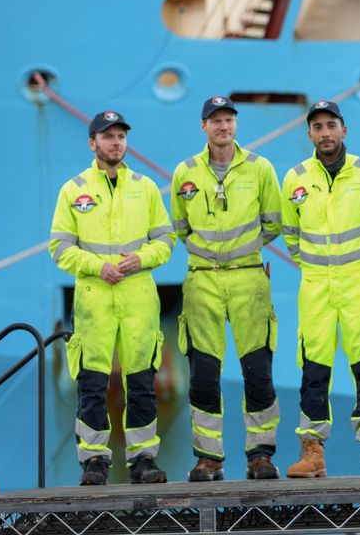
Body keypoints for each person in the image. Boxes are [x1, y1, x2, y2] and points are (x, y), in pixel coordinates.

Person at [50, 111, 174, 485]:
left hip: (138, 300)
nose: (115, 142)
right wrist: (97, 266)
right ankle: (94, 462)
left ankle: (143, 459)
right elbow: (59, 247)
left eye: (120, 136)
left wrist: (142, 258)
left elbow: (165, 241)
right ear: (93, 143)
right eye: (108, 137)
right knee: (91, 384)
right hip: (94, 301)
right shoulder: (73, 190)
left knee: (141, 383)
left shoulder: (146, 188)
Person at [171, 96, 282, 482]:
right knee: (203, 374)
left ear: (236, 124)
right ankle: (208, 459)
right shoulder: (185, 172)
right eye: (216, 120)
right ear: (204, 126)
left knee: (258, 372)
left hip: (249, 277)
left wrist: (240, 254)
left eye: (229, 120)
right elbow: (180, 227)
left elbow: (273, 223)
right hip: (202, 280)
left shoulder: (260, 168)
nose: (223, 126)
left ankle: (260, 456)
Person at [281, 101, 360, 478]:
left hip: (359, 281)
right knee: (314, 368)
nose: (325, 133)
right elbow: (291, 236)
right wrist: (315, 266)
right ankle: (312, 452)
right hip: (315, 286)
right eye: (317, 127)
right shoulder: (295, 177)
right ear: (309, 134)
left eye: (331, 125)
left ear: (344, 130)